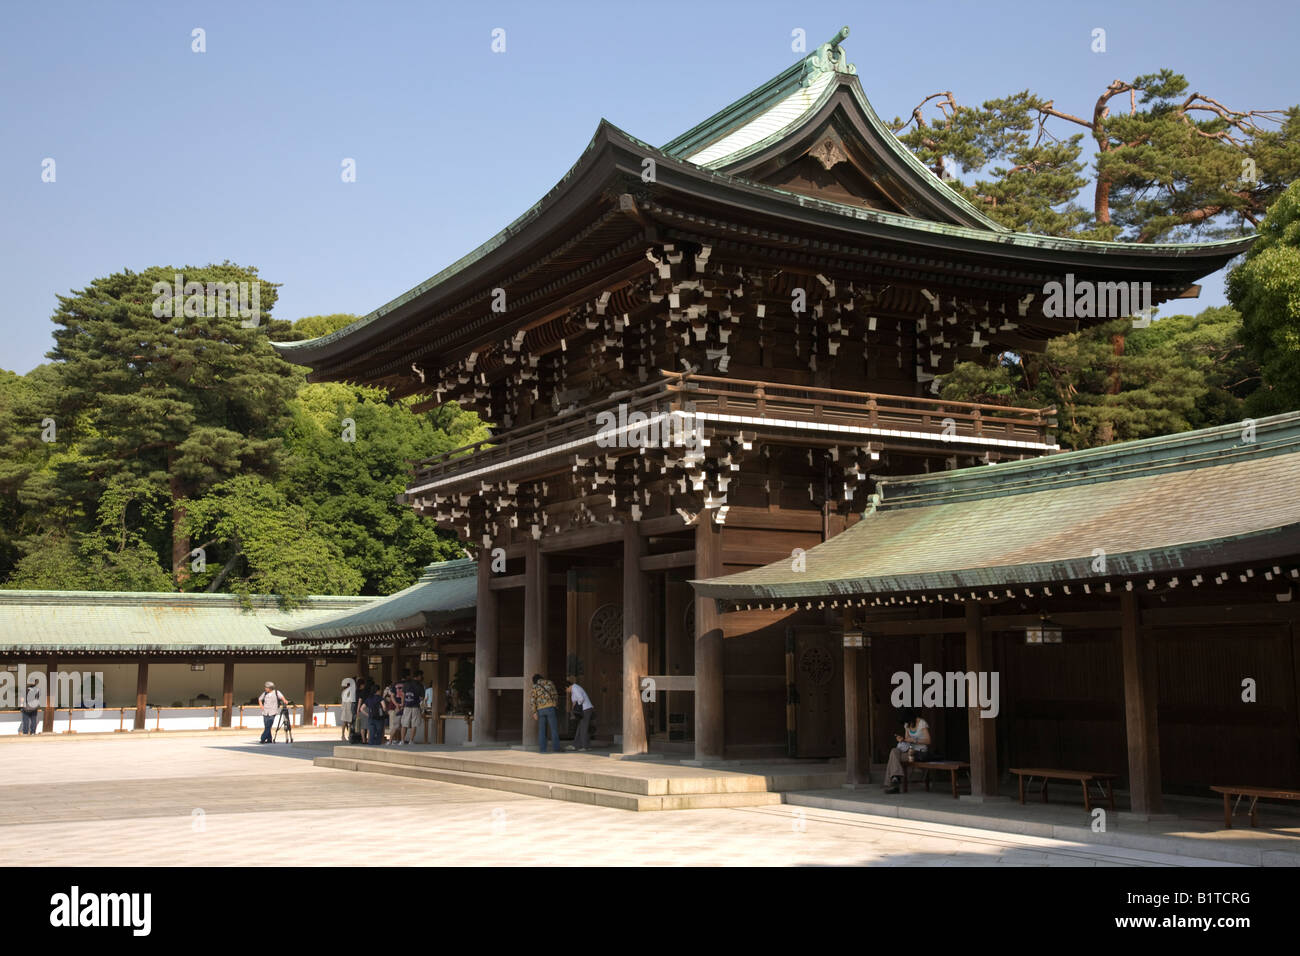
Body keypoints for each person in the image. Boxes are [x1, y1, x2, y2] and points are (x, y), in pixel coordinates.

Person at [884, 709, 932, 793]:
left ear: (911, 718)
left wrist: (915, 740)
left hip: (919, 752)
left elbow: (928, 741)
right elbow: (907, 739)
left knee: (893, 757)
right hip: (909, 750)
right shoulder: (907, 724)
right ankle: (895, 778)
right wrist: (902, 740)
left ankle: (895, 781)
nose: (907, 724)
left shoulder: (922, 723)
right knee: (894, 751)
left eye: (907, 721)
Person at [530, 673, 560, 753]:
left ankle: (542, 750)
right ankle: (556, 749)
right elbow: (555, 695)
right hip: (550, 708)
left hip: (540, 709)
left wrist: (534, 712)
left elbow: (533, 700)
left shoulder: (534, 686)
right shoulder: (550, 683)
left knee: (542, 730)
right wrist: (555, 705)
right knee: (554, 729)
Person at [564, 679, 594, 752]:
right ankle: (576, 745)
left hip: (585, 709)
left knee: (583, 728)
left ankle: (585, 746)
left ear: (567, 687)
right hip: (584, 710)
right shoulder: (575, 688)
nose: (566, 691)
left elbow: (581, 699)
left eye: (566, 689)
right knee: (580, 728)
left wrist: (577, 707)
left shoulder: (575, 688)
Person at [400, 675, 424, 745]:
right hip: (415, 706)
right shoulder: (420, 685)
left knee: (404, 723)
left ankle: (402, 740)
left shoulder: (406, 684)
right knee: (414, 724)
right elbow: (422, 698)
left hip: (407, 706)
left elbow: (403, 695)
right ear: (418, 676)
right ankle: (411, 740)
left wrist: (402, 704)